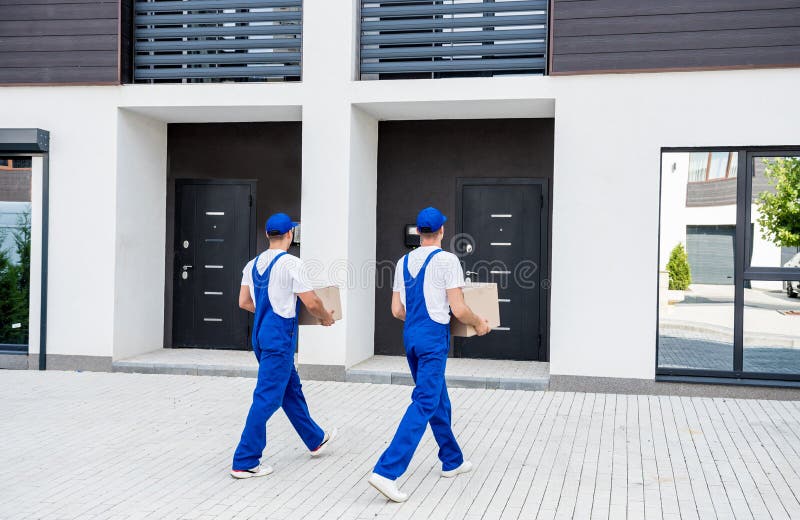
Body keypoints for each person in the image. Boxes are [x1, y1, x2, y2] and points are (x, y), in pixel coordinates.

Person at [368, 206, 491, 502]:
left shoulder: (403, 261)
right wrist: (480, 323)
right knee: (424, 401)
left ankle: (452, 460)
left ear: (419, 234)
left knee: (436, 397)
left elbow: (397, 310)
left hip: (411, 336)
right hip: (434, 339)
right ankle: (387, 471)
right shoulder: (448, 260)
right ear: (442, 232)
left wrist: (418, 322)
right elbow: (458, 308)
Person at [231, 212, 337, 479]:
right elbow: (311, 302)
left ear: (268, 235)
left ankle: (315, 439)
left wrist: (267, 315)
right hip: (279, 338)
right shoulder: (292, 264)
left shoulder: (252, 264)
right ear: (290, 234)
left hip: (260, 335)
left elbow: (244, 302)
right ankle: (245, 460)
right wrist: (325, 317)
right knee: (267, 397)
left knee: (290, 389)